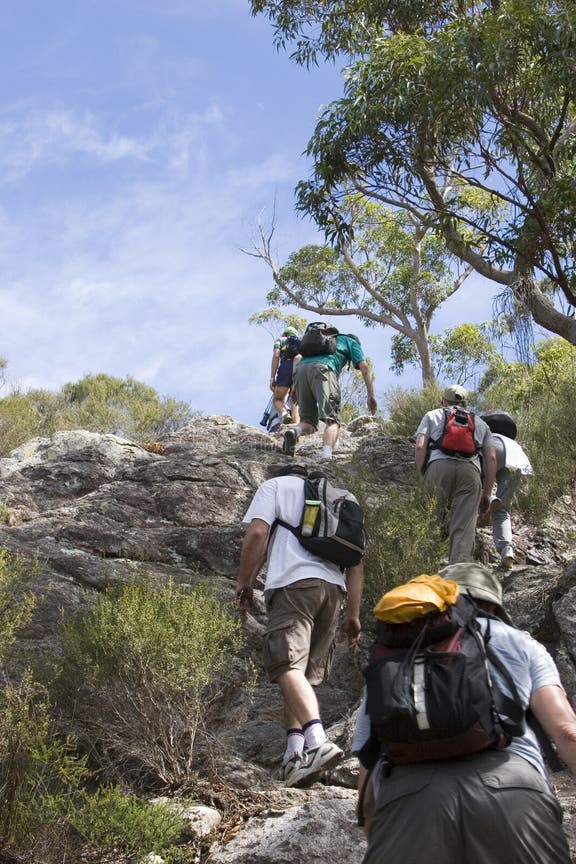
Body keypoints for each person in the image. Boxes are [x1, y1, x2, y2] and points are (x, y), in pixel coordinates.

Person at [353, 562, 576, 863]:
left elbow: (369, 762)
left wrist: (381, 833)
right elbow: (567, 733)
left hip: (409, 801)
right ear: (493, 607)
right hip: (513, 794)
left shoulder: (394, 655)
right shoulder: (520, 643)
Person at [236, 465, 363, 787]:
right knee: (302, 675)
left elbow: (257, 533)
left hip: (294, 584)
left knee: (285, 664)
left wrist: (244, 582)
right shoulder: (340, 498)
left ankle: (318, 742)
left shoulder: (275, 486)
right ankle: (294, 755)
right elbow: (356, 562)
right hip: (333, 591)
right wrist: (354, 615)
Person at [414, 384, 497, 563]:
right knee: (463, 528)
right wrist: (487, 493)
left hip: (438, 468)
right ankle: (457, 573)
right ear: (465, 404)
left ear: (444, 401)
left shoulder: (432, 415)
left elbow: (420, 446)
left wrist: (422, 476)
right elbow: (491, 458)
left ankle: (425, 569)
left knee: (430, 522)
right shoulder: (480, 423)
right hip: (470, 472)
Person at [282, 329, 377, 461]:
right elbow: (364, 368)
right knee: (332, 420)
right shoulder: (351, 342)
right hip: (324, 369)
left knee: (307, 422)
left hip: (301, 371)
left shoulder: (323, 340)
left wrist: (295, 389)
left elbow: (299, 359)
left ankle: (294, 432)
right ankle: (326, 456)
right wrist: (371, 395)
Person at [481, 410, 534, 570]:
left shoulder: (486, 429)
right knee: (503, 510)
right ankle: (507, 550)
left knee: (476, 483)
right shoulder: (510, 436)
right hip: (515, 454)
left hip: (492, 447)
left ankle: (489, 500)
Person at [270, 326, 301, 425]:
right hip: (299, 367)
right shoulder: (301, 342)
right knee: (295, 400)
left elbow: (276, 355)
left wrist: (272, 378)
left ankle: (284, 413)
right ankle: (296, 425)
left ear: (284, 333)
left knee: (277, 399)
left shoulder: (280, 340)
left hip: (285, 367)